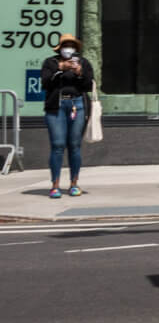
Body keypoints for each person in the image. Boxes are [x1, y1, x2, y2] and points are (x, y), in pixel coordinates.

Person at [40, 34, 94, 199]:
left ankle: (74, 183)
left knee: (74, 145)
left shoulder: (83, 62)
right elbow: (45, 83)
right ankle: (55, 185)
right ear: (60, 48)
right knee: (57, 145)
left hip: (77, 105)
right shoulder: (51, 62)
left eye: (71, 46)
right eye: (65, 45)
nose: (68, 49)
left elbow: (88, 85)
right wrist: (60, 68)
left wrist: (79, 73)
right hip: (56, 106)